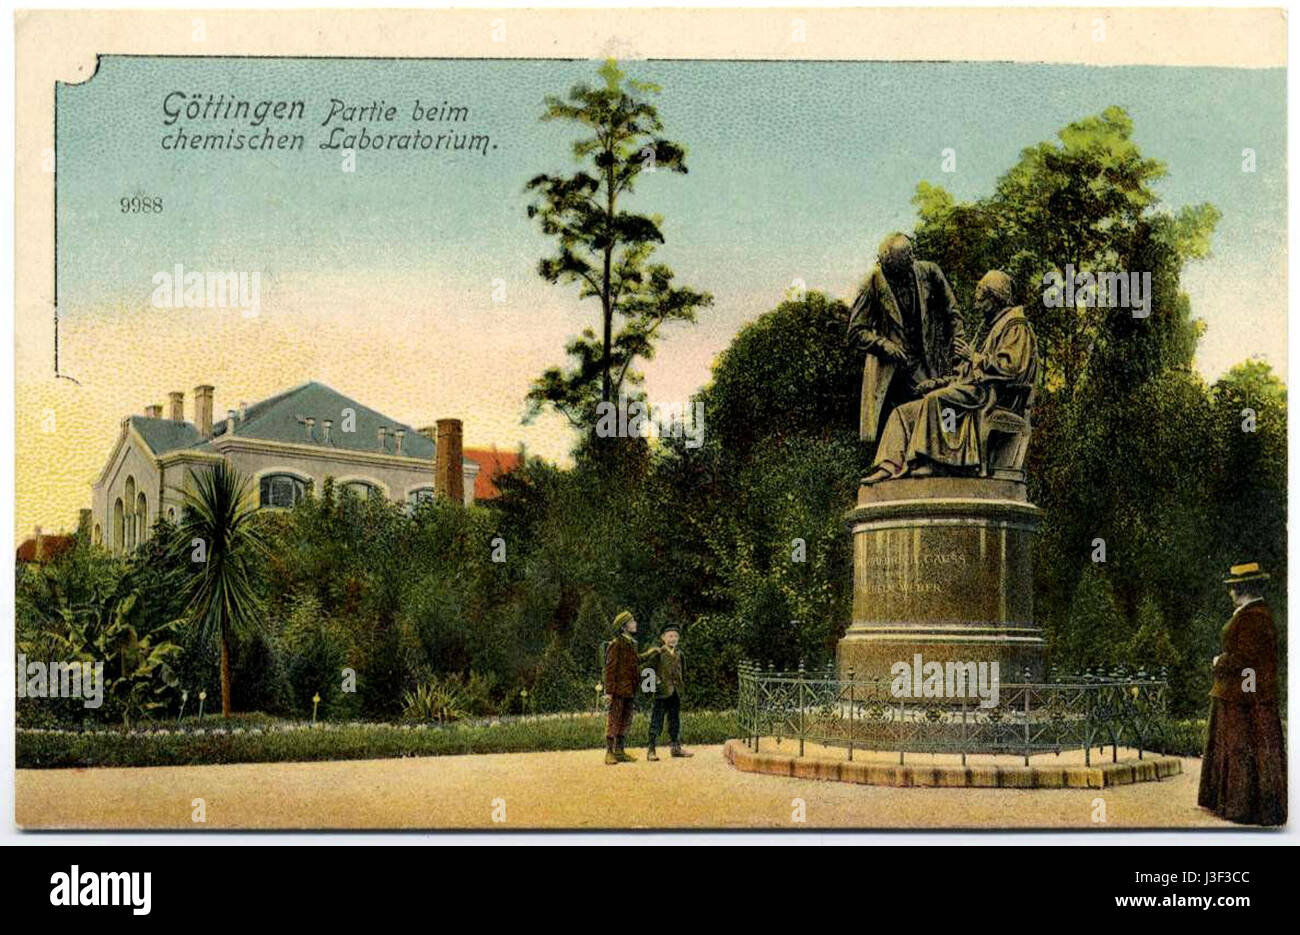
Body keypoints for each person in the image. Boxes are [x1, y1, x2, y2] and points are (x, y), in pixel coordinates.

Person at [863, 270, 1036, 483]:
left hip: (990, 396)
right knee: (904, 412)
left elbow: (1010, 367)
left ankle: (938, 461)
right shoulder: (992, 327)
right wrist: (935, 382)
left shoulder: (1015, 326)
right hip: (969, 392)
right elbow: (963, 375)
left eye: (980, 301)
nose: (976, 307)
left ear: (994, 299)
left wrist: (974, 357)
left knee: (936, 400)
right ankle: (890, 465)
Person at [847, 232, 968, 449]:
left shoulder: (929, 272)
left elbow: (953, 313)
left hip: (928, 362)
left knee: (940, 413)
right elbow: (856, 331)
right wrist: (885, 345)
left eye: (910, 258)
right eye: (898, 269)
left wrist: (959, 347)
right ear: (886, 264)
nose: (910, 265)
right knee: (891, 432)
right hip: (889, 370)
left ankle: (949, 459)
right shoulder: (872, 284)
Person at [1197, 563, 1287, 826]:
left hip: (1243, 696)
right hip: (1244, 694)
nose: (1230, 593)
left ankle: (1242, 807)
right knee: (1243, 748)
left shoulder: (1253, 616)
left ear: (1241, 589)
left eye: (1232, 587)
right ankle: (1237, 804)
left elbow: (1246, 659)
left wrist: (1219, 662)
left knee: (1240, 748)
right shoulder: (1255, 613)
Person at [640, 623, 692, 761]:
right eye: (670, 636)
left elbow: (683, 673)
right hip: (661, 693)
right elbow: (647, 671)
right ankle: (651, 749)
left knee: (675, 720)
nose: (673, 639)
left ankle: (675, 748)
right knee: (657, 720)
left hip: (675, 693)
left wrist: (682, 688)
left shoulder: (680, 655)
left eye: (675, 636)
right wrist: (650, 690)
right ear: (663, 638)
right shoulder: (658, 653)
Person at [602, 610, 640, 765]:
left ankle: (620, 751)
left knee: (626, 719)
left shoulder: (633, 643)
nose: (635, 624)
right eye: (631, 622)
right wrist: (609, 692)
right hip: (618, 690)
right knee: (614, 719)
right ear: (624, 627)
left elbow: (636, 664)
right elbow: (610, 669)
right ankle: (609, 752)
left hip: (630, 688)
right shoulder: (616, 644)